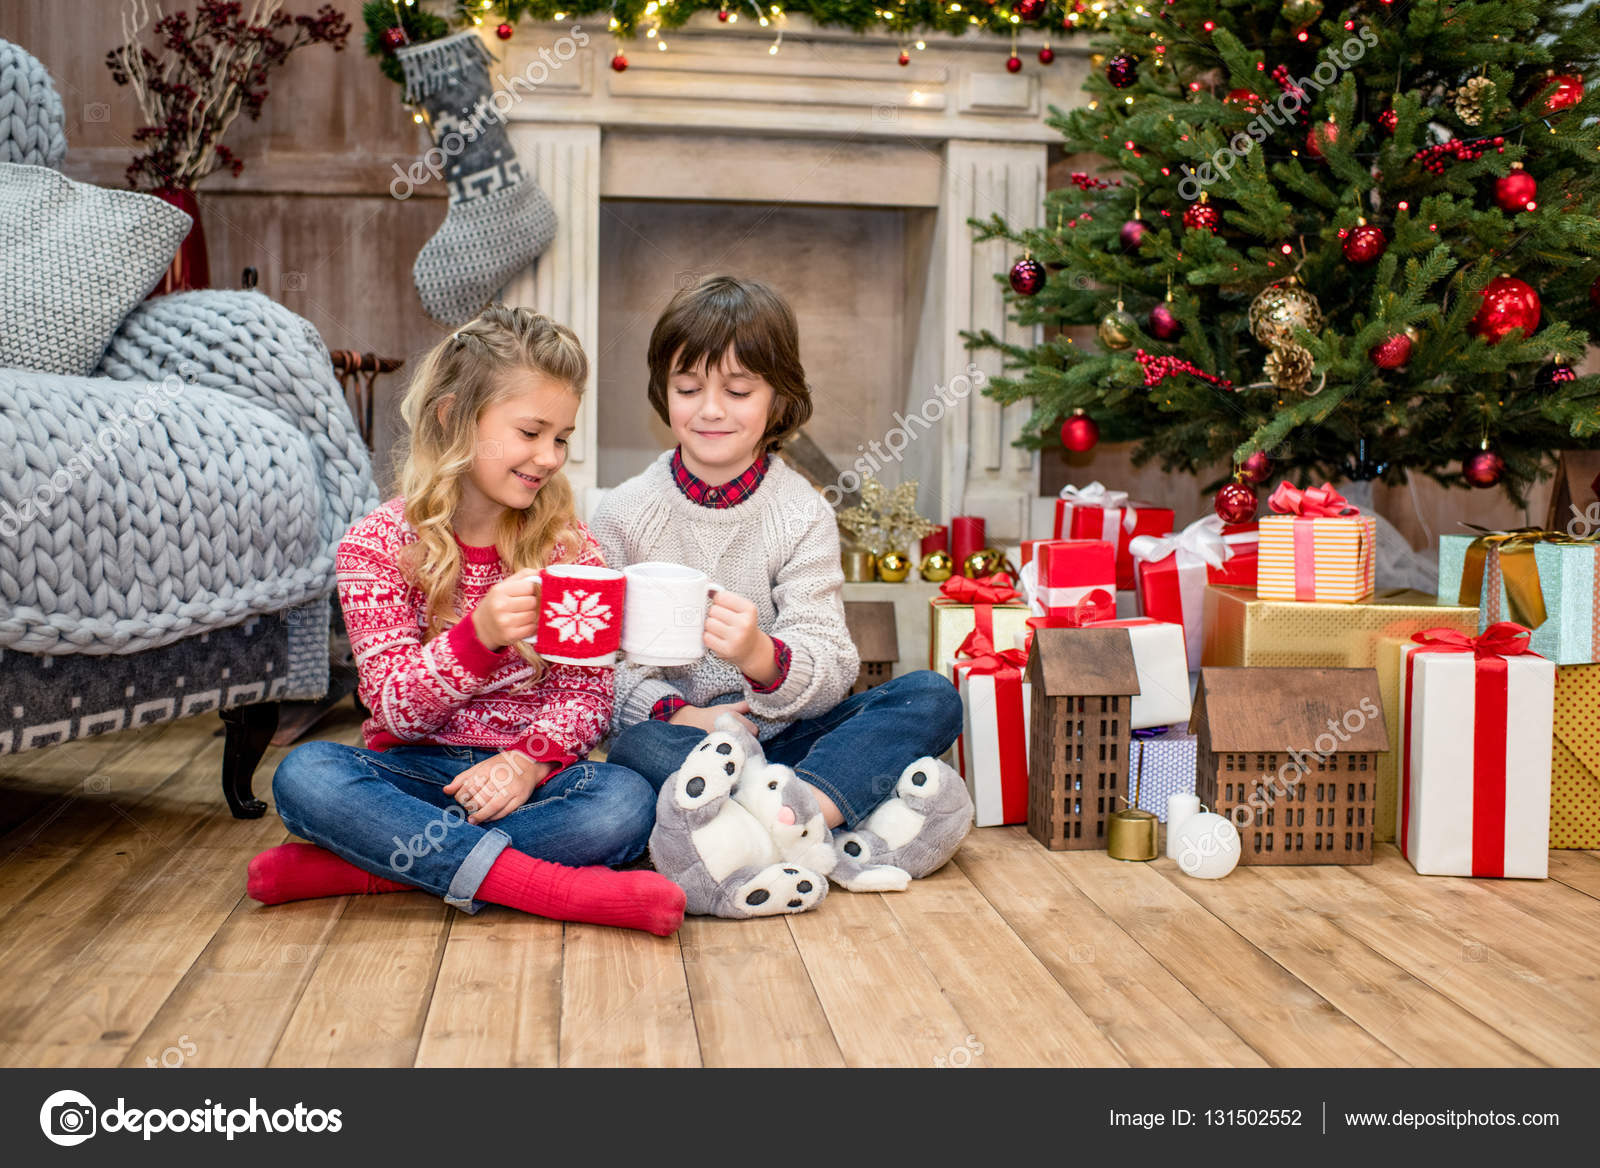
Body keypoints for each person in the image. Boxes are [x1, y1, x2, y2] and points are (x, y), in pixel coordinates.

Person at [247, 305, 684, 936]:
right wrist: (476, 638)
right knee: (306, 775)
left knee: (622, 803)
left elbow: (588, 698)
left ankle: (370, 868)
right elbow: (395, 711)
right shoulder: (375, 546)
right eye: (531, 431)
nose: (550, 456)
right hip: (411, 774)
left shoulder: (569, 551)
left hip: (528, 780)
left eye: (561, 437)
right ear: (455, 418)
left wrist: (526, 763)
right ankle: (548, 889)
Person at [593, 275, 965, 855]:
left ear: (779, 400)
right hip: (684, 743)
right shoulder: (623, 513)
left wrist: (759, 656)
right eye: (688, 388)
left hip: (788, 744)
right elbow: (599, 670)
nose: (710, 410)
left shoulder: (801, 514)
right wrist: (685, 713)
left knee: (931, 696)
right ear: (663, 392)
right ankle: (809, 820)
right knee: (635, 750)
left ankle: (782, 819)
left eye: (738, 392)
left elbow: (834, 665)